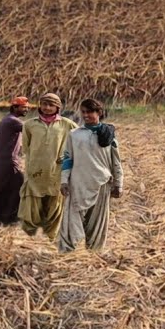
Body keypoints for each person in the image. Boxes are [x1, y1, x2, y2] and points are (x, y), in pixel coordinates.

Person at [58, 99, 124, 254]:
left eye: (90, 112)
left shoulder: (108, 137)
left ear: (99, 113)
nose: (86, 115)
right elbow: (68, 159)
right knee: (70, 223)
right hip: (78, 184)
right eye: (84, 112)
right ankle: (67, 254)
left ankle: (94, 255)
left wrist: (118, 184)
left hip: (101, 184)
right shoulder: (74, 135)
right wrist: (64, 181)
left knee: (97, 224)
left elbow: (116, 163)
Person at [19, 93, 77, 241]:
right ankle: (30, 234)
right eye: (44, 104)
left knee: (55, 199)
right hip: (35, 169)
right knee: (32, 200)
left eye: (51, 105)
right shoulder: (29, 125)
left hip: (56, 170)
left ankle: (51, 235)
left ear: (58, 107)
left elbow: (78, 142)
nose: (47, 108)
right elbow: (26, 147)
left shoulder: (67, 124)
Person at [0, 96, 28, 228]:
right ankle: (9, 218)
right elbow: (31, 129)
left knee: (0, 189)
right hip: (8, 162)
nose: (26, 109)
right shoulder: (13, 121)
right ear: (15, 108)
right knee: (20, 186)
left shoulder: (6, 120)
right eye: (23, 107)